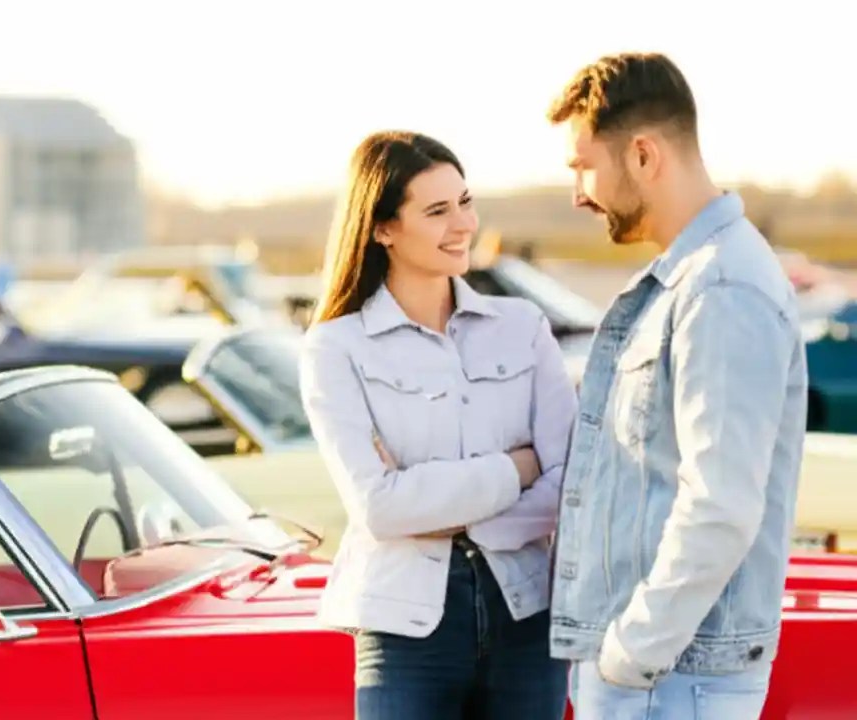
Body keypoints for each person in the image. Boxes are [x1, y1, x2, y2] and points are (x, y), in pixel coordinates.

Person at [544, 52, 808, 717]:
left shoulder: (721, 286)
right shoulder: (690, 278)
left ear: (641, 155)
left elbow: (720, 504)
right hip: (662, 676)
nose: (578, 193)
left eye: (583, 166)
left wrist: (632, 653)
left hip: (671, 679)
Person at [299, 130, 577, 718]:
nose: (464, 224)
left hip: (526, 618)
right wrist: (516, 467)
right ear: (382, 228)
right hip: (402, 628)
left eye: (465, 202)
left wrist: (449, 512)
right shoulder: (335, 348)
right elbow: (379, 508)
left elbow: (572, 481)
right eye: (437, 211)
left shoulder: (522, 325)